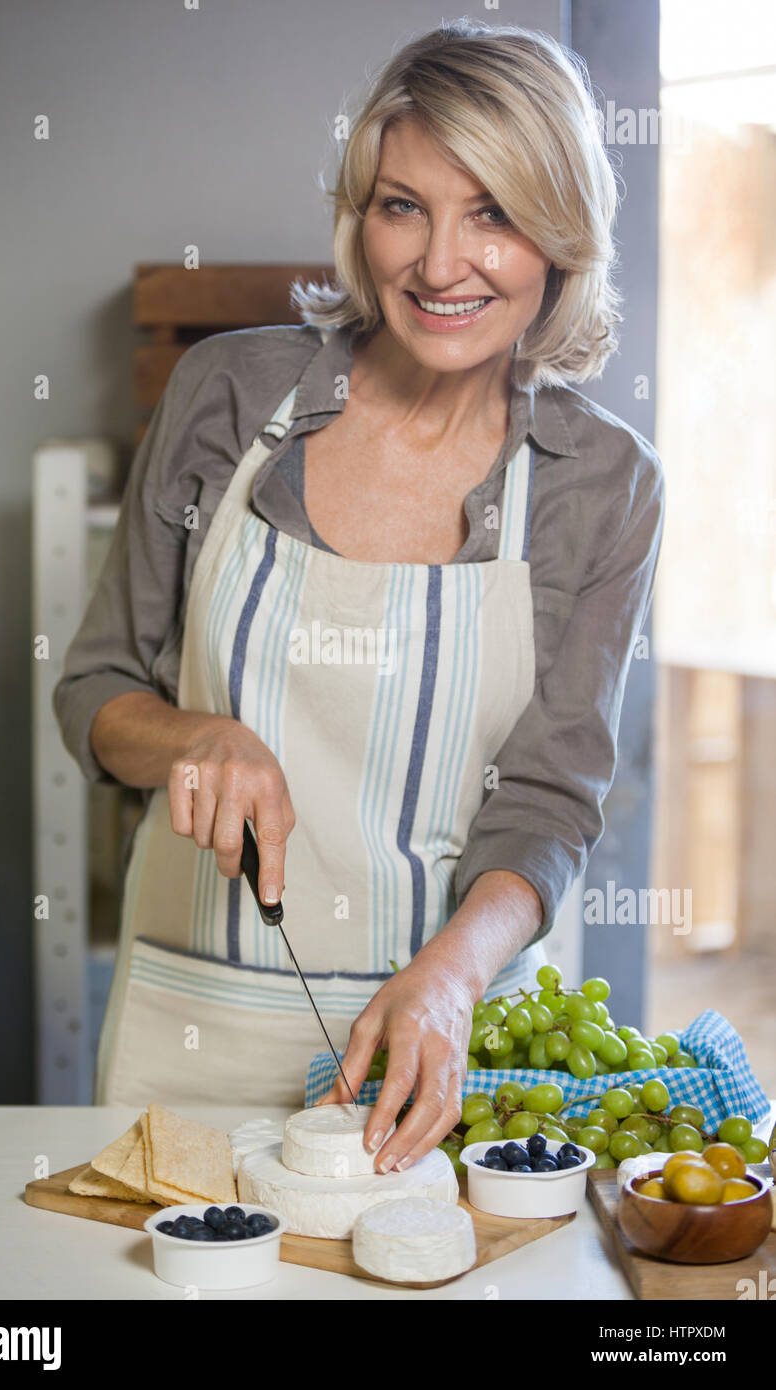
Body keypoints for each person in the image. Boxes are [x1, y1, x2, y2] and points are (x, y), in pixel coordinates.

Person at [54, 20, 664, 1178]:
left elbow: (545, 802)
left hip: (435, 1049)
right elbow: (94, 690)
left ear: (562, 236)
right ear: (358, 216)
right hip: (194, 1027)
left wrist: (447, 978)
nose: (439, 265)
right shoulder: (226, 395)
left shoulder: (606, 485)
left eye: (492, 211)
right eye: (401, 206)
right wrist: (196, 735)